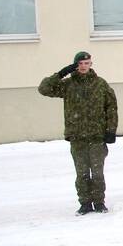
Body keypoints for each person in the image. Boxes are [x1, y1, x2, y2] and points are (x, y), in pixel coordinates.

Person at [37, 52, 117, 215]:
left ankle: (99, 202)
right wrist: (61, 73)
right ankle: (85, 203)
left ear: (91, 64)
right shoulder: (68, 85)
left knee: (97, 173)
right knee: (81, 173)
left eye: (86, 63)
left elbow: (111, 108)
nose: (83, 66)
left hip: (96, 136)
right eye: (80, 63)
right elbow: (44, 89)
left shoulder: (100, 84)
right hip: (77, 136)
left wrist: (111, 130)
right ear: (75, 65)